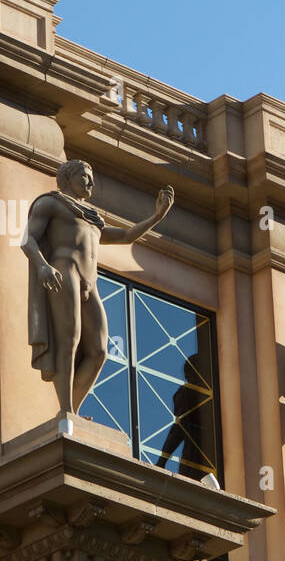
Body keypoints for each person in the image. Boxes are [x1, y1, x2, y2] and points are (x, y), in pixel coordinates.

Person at [21, 159, 174, 414]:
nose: (90, 181)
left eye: (91, 176)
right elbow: (28, 240)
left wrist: (157, 216)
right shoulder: (51, 203)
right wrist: (42, 266)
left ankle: (72, 411)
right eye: (84, 176)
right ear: (68, 178)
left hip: (89, 283)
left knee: (100, 350)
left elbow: (126, 236)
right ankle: (66, 411)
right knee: (69, 340)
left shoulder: (93, 218)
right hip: (65, 271)